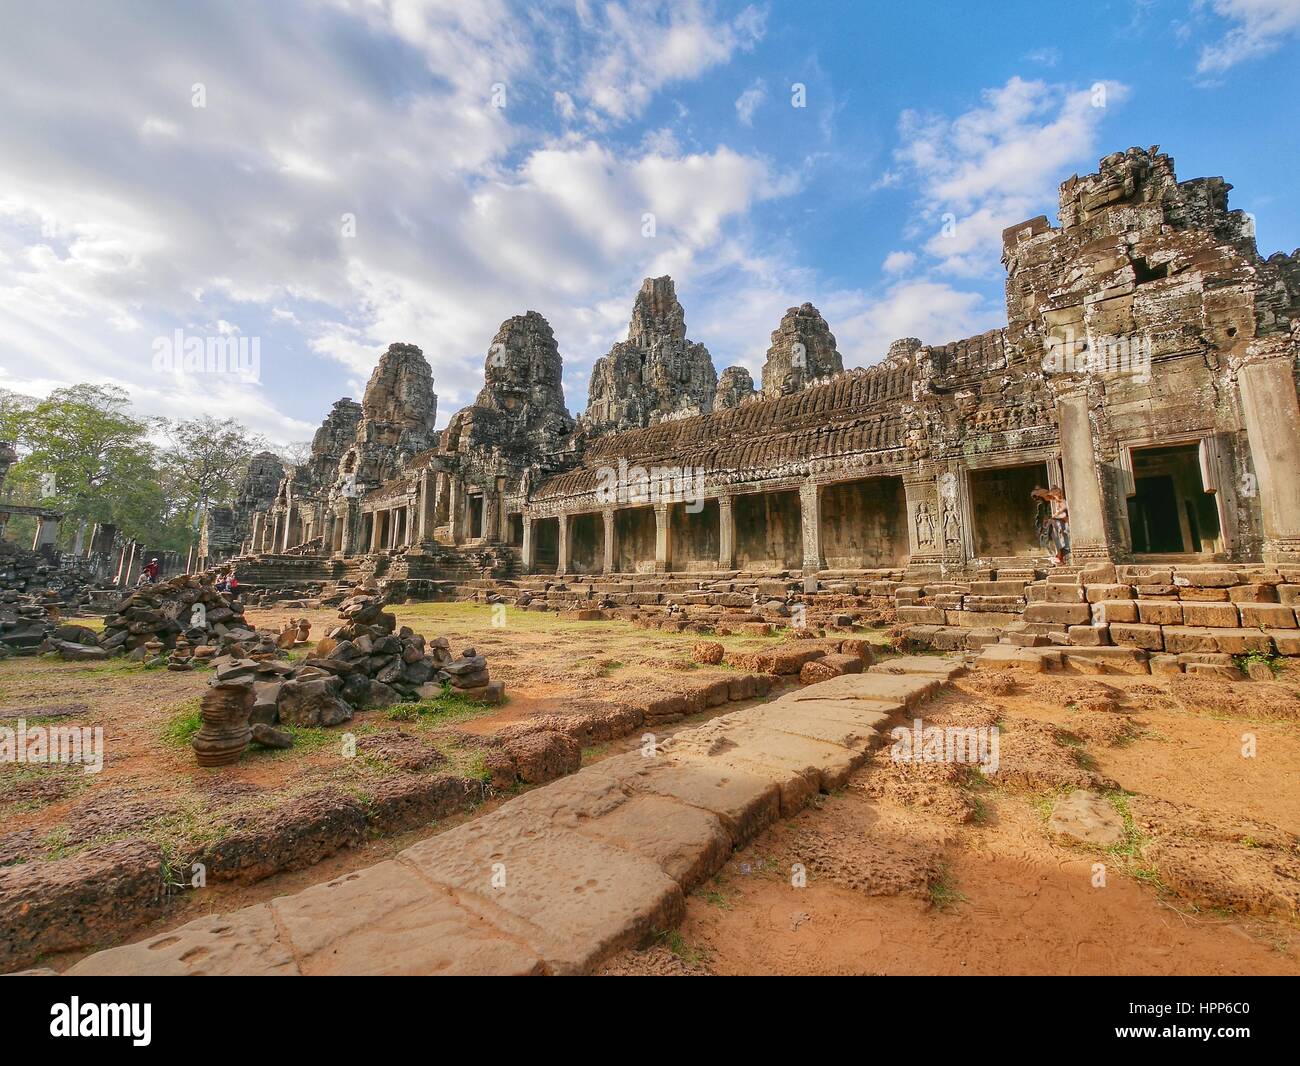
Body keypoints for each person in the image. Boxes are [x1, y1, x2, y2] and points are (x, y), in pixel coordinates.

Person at [1031, 487, 1069, 565]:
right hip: (1049, 526)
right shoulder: (1041, 506)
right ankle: (1057, 558)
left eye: (1040, 497)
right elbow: (1040, 518)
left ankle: (1060, 558)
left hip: (1059, 524)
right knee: (1048, 541)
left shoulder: (1057, 502)